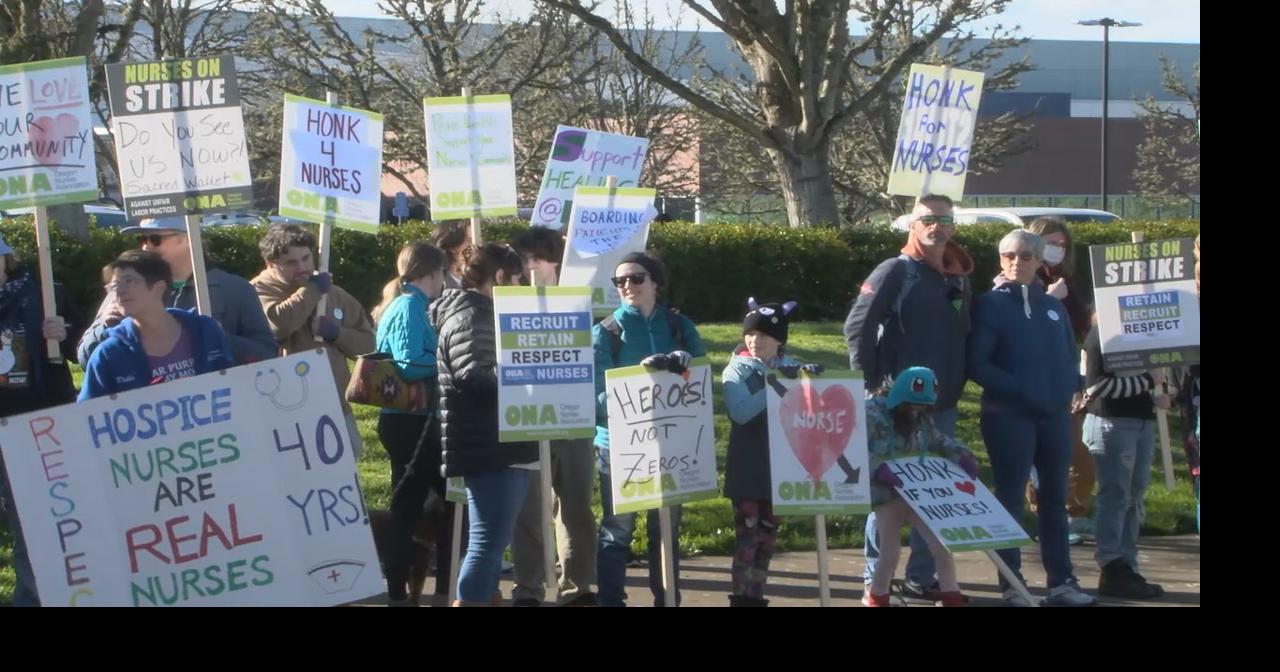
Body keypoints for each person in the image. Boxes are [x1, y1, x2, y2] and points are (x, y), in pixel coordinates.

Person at [843, 193, 974, 602]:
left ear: (953, 226)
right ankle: (874, 582)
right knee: (887, 497)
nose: (937, 226)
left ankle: (922, 578)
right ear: (911, 225)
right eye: (928, 219)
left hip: (940, 406)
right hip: (893, 406)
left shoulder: (957, 276)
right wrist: (871, 388)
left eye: (945, 219)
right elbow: (857, 327)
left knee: (930, 498)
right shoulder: (894, 271)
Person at [967, 229, 1094, 607]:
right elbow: (978, 364)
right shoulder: (990, 304)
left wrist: (1073, 385)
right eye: (1008, 255)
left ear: (1040, 261)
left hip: (1053, 418)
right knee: (1009, 499)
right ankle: (1012, 585)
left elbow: (1067, 356)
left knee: (1054, 499)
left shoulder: (1052, 306)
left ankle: (1062, 583)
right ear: (1000, 259)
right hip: (1008, 416)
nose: (1016, 262)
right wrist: (1023, 390)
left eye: (1025, 256)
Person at [593, 251, 705, 607]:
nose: (628, 285)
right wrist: (638, 382)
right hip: (619, 445)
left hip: (673, 444)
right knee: (617, 531)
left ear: (655, 282)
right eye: (620, 281)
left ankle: (668, 599)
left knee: (666, 529)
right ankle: (611, 602)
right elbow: (595, 398)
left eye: (636, 278)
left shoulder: (679, 327)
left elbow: (701, 383)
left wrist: (686, 366)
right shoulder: (606, 331)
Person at [430, 243, 534, 606]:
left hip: (499, 440)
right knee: (486, 543)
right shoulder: (473, 316)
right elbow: (472, 376)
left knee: (491, 542)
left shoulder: (480, 313)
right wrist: (527, 374)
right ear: (500, 277)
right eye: (518, 278)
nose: (521, 287)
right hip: (489, 444)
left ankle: (485, 598)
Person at [508, 227, 598, 607]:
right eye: (523, 259)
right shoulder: (509, 305)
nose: (528, 266)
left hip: (574, 420)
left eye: (536, 258)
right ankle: (527, 587)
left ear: (555, 262)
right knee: (529, 508)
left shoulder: (581, 303)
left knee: (575, 506)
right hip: (527, 418)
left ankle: (577, 588)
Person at [722, 297, 823, 606]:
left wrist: (812, 380)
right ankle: (741, 598)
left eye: (763, 335)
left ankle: (757, 595)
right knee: (747, 538)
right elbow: (740, 412)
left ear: (779, 341)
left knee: (767, 539)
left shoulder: (791, 367)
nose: (754, 341)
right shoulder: (736, 371)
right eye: (750, 334)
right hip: (748, 467)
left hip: (780, 467)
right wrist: (777, 384)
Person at [0, 232, 84, 607]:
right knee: (23, 523)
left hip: (44, 420)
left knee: (52, 516)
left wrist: (63, 334)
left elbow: (83, 349)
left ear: (7, 259)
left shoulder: (47, 294)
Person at [371, 241, 453, 606]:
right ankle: (429, 590)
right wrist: (447, 361)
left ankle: (410, 590)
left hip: (409, 421)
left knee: (413, 506)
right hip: (411, 423)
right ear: (432, 273)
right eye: (442, 274)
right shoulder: (409, 307)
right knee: (438, 504)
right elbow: (406, 364)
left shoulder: (410, 304)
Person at [78, 216, 276, 365]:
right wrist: (105, 326)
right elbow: (85, 358)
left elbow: (266, 353)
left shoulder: (234, 289)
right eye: (142, 239)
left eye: (155, 239)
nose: (146, 247)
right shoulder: (124, 289)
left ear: (188, 238)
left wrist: (216, 337)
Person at [252, 224, 374, 457]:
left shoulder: (333, 293)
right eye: (291, 263)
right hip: (286, 410)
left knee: (349, 464)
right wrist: (311, 292)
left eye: (306, 258)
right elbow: (278, 326)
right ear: (270, 264)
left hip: (335, 404)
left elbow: (369, 345)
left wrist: (338, 333)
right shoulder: (257, 291)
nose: (302, 268)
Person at [864, 367, 978, 608]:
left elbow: (937, 439)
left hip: (919, 491)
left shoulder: (920, 417)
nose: (917, 411)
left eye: (922, 406)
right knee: (890, 550)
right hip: (887, 494)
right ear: (900, 398)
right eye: (913, 406)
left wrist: (961, 456)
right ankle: (877, 596)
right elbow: (855, 448)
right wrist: (877, 468)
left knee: (941, 543)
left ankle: (951, 595)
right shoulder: (872, 413)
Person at [1081, 315, 1167, 600]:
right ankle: (1111, 564)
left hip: (1141, 421)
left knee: (1134, 495)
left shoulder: (1141, 339)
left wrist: (1157, 393)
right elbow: (1096, 388)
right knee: (1115, 495)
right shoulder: (1099, 337)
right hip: (1111, 422)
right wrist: (1146, 380)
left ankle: (1127, 566)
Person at [1023, 217, 1095, 545]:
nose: (1057, 250)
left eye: (1062, 245)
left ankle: (1073, 513)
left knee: (1075, 448)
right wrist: (1050, 298)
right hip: (1036, 379)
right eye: (1051, 243)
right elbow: (1024, 329)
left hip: (1069, 374)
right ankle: (1045, 516)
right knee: (1044, 452)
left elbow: (1080, 325)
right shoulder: (1026, 280)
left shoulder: (1066, 278)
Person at [79, 250, 234, 400]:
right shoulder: (107, 354)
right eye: (114, 286)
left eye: (128, 281)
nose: (120, 291)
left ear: (158, 287)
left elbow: (234, 388)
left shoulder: (206, 331)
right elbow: (86, 416)